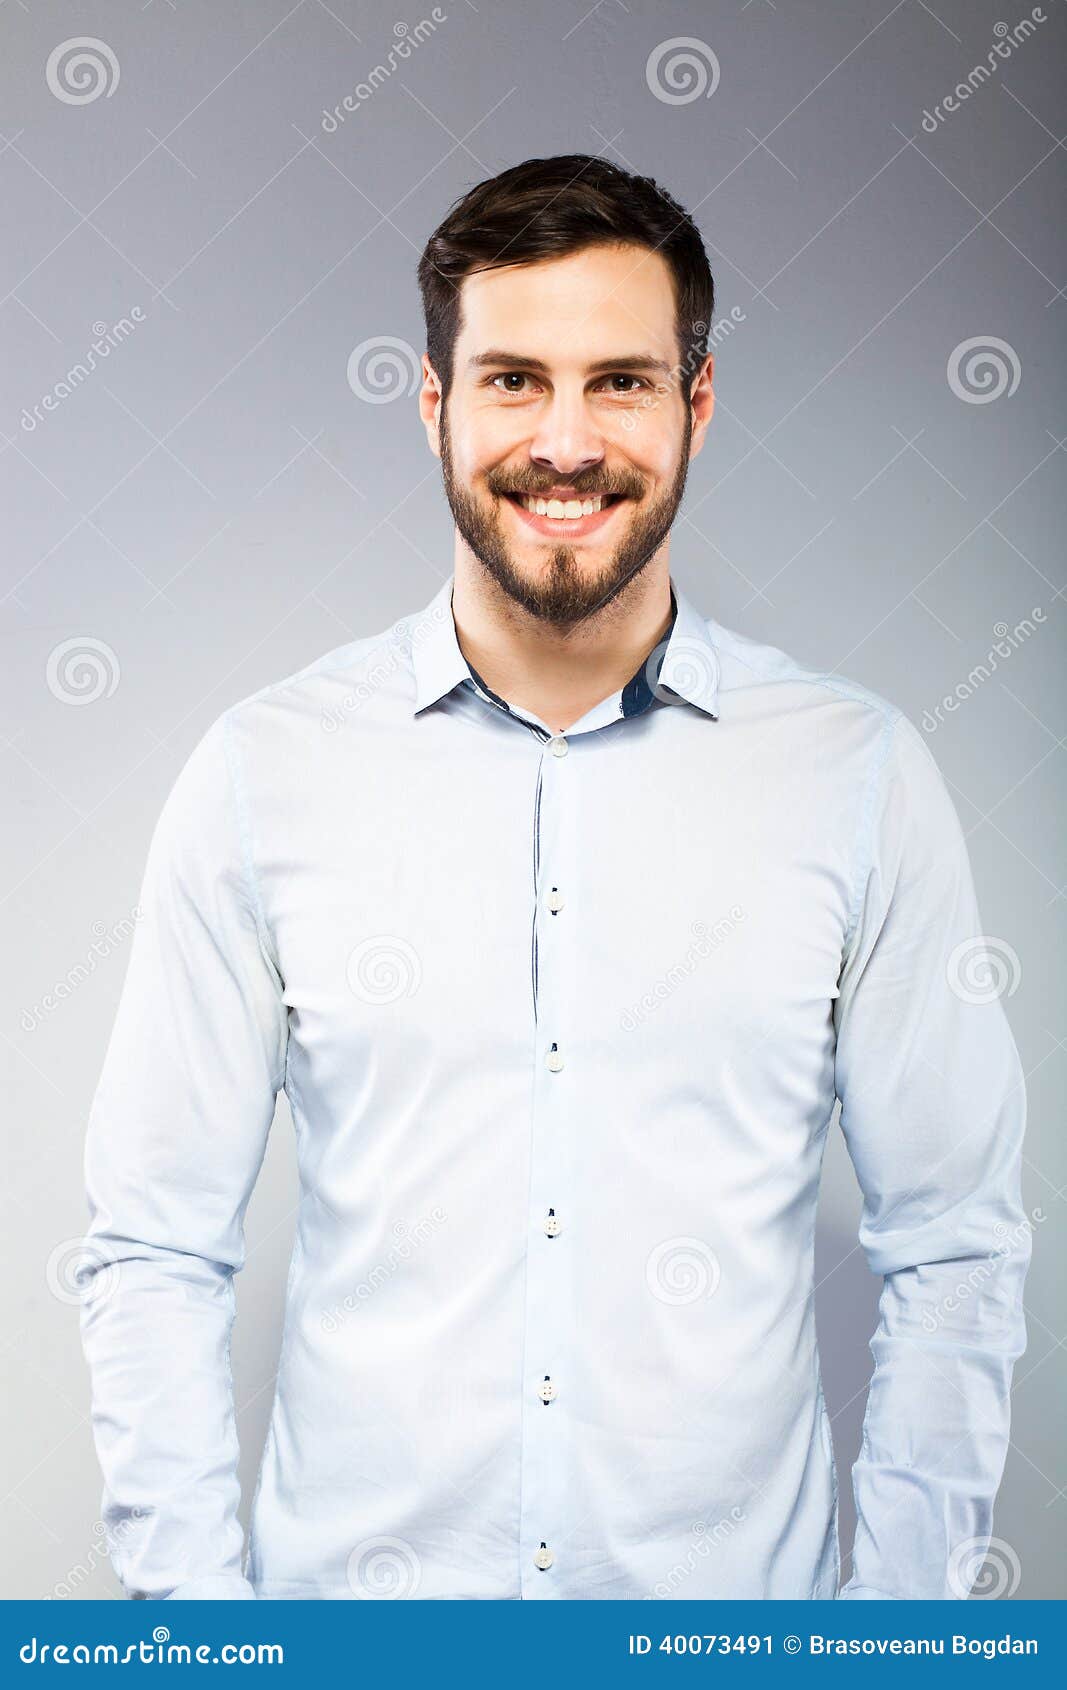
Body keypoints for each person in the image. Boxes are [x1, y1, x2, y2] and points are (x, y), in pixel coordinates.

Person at [78, 154, 1030, 1601]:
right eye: (514, 379)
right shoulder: (261, 777)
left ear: (696, 406)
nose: (568, 442)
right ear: (435, 405)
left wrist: (890, 1645)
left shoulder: (862, 781)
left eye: (623, 383)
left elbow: (958, 1251)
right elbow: (150, 1249)